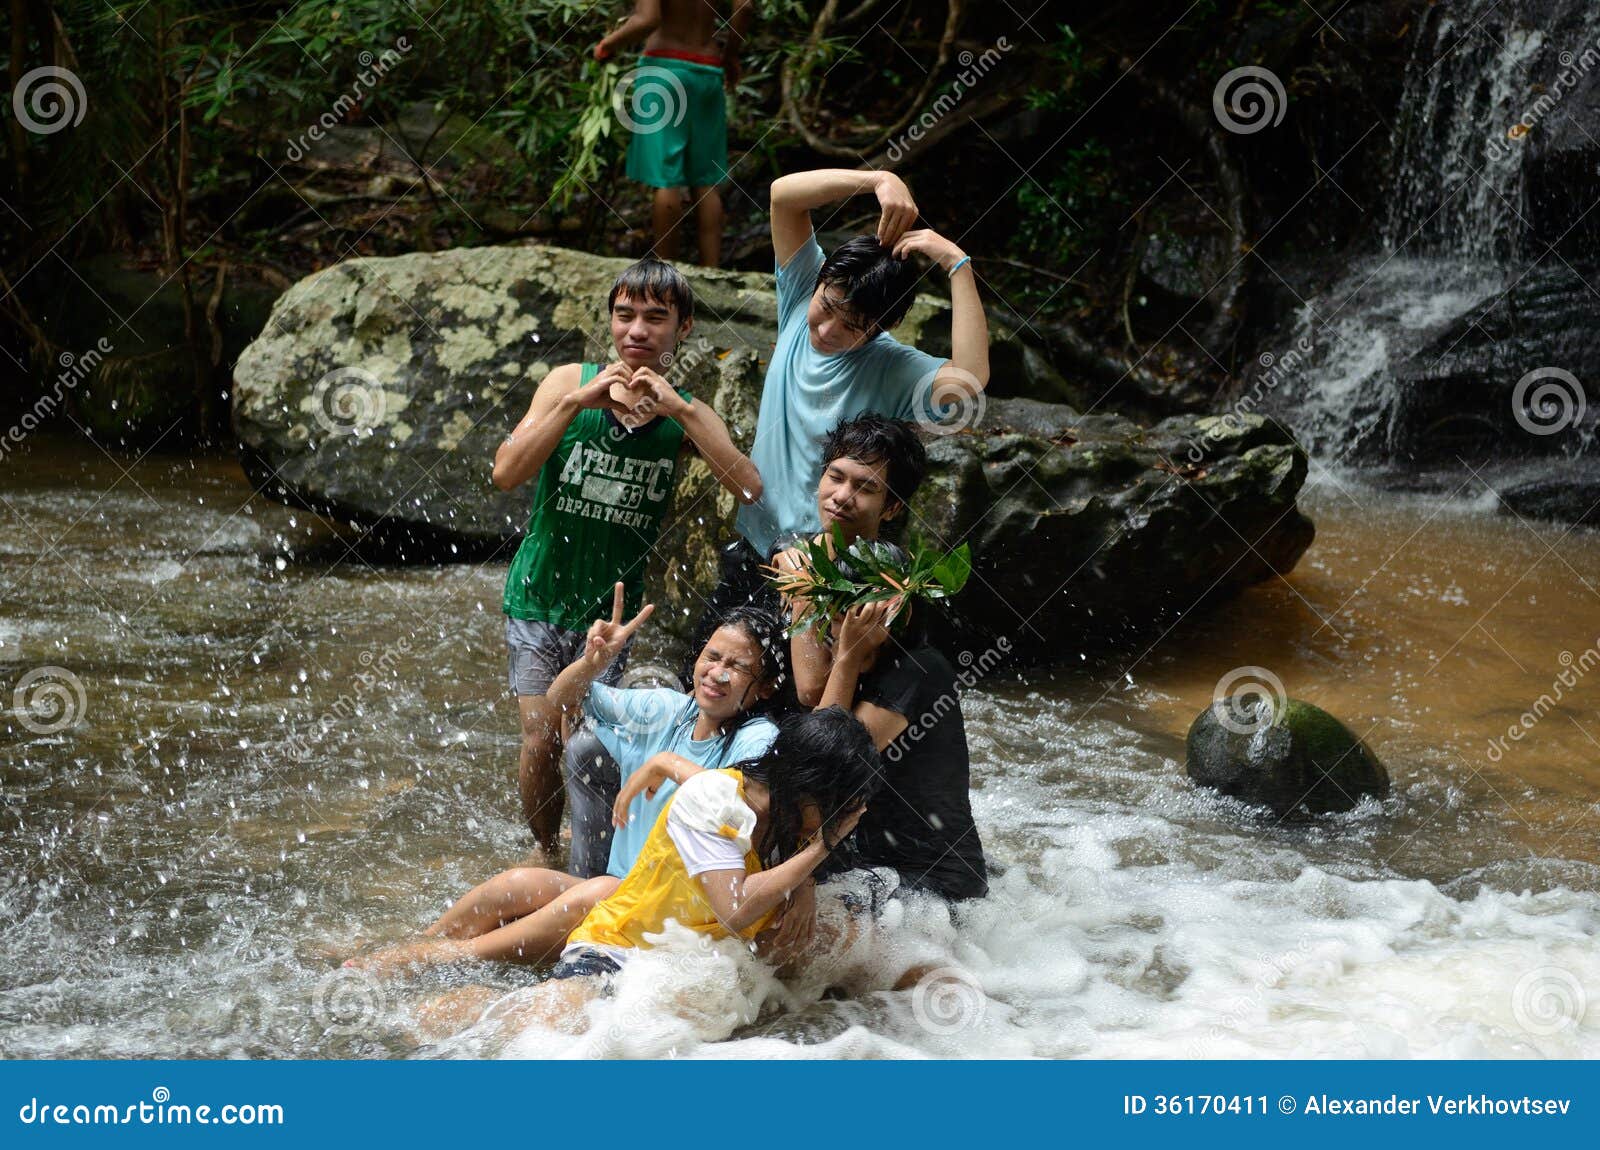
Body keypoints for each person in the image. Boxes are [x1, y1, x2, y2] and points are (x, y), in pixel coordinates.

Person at [348, 587, 789, 972]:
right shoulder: (667, 709)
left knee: (600, 888)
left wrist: (664, 765)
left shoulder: (758, 737)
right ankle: (420, 940)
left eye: (738, 666)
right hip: (621, 892)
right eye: (712, 656)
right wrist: (592, 663)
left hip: (673, 916)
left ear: (766, 685)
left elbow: (744, 804)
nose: (717, 672)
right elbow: (560, 699)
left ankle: (448, 957)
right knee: (517, 883)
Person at [493, 256, 760, 860]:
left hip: (612, 614)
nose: (637, 330)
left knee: (587, 740)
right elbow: (506, 471)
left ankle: (599, 860)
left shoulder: (685, 411)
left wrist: (683, 412)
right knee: (541, 739)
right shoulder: (567, 382)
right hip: (537, 593)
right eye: (625, 315)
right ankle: (545, 852)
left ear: (683, 329)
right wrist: (573, 405)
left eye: (656, 318)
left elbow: (747, 487)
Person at [693, 167, 990, 651]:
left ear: (880, 326)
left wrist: (956, 263)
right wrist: (878, 180)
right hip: (755, 549)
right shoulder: (799, 294)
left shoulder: (892, 367)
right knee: (704, 685)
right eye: (826, 306)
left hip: (828, 570)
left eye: (850, 324)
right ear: (819, 284)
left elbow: (971, 380)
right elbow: (783, 196)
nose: (827, 329)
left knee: (803, 706)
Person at [498, 707, 879, 1033]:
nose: (838, 825)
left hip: (690, 979)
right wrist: (823, 847)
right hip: (619, 953)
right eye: (839, 812)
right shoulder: (717, 800)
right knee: (541, 1024)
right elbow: (733, 909)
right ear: (805, 786)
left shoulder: (789, 821)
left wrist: (806, 885)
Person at [595, 1, 755, 266]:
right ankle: (712, 272)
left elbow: (647, 20)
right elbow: (745, 6)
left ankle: (664, 274)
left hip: (664, 70)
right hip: (708, 71)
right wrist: (730, 55)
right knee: (705, 181)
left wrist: (606, 45)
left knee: (666, 179)